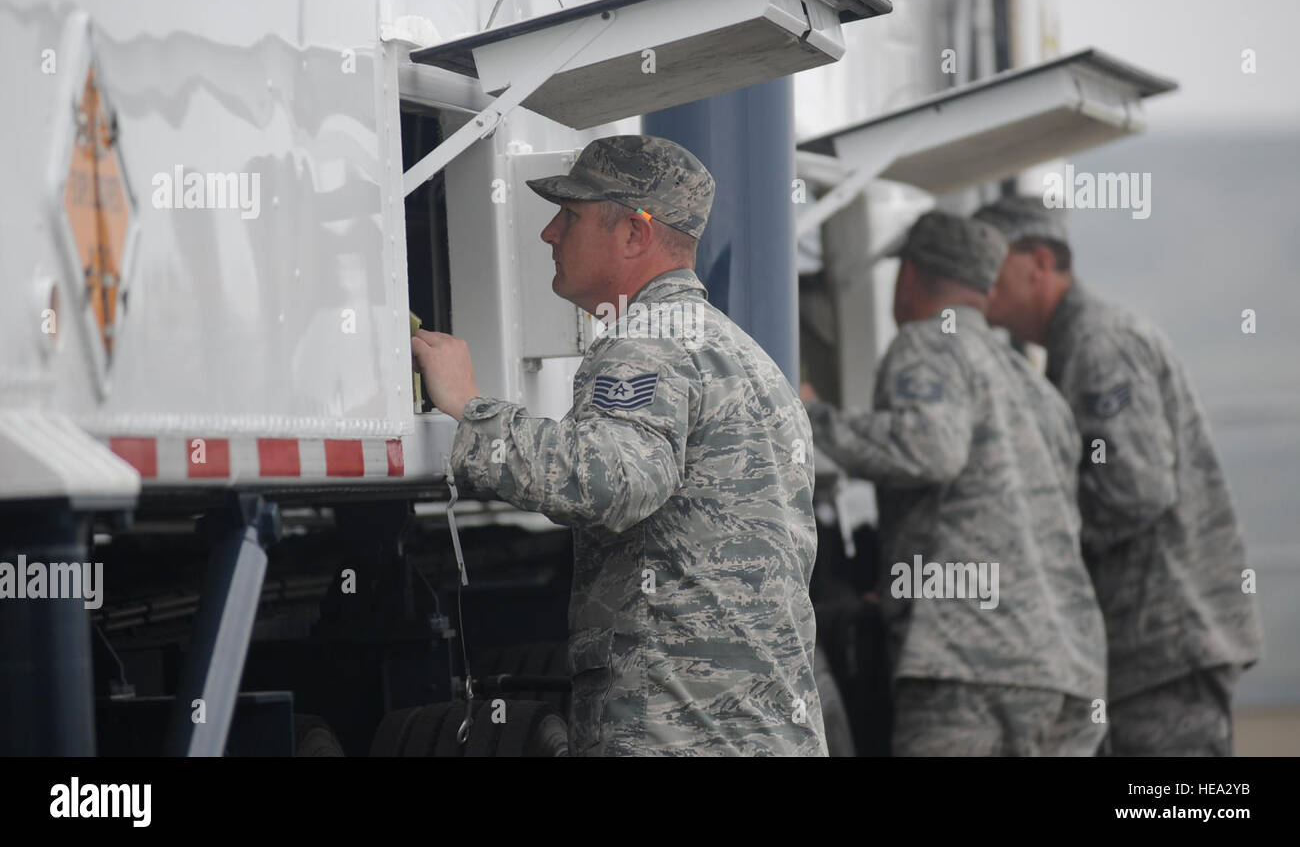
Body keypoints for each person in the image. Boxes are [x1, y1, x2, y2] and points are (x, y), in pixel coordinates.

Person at [411, 135, 827, 756]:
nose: (549, 234)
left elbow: (613, 484)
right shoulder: (740, 352)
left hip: (677, 730)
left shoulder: (649, 340)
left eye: (570, 216)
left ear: (635, 233)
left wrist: (470, 408)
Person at [803, 211, 1107, 756]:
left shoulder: (928, 342)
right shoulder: (1035, 386)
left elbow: (931, 448)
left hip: (969, 662)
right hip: (1066, 667)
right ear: (985, 289)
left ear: (909, 278)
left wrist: (809, 417)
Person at [973, 195, 1263, 756]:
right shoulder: (1074, 343)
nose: (978, 276)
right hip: (1149, 647)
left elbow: (1134, 490)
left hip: (1163, 647)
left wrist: (1034, 544)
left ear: (1039, 261)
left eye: (991, 259)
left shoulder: (1098, 343)